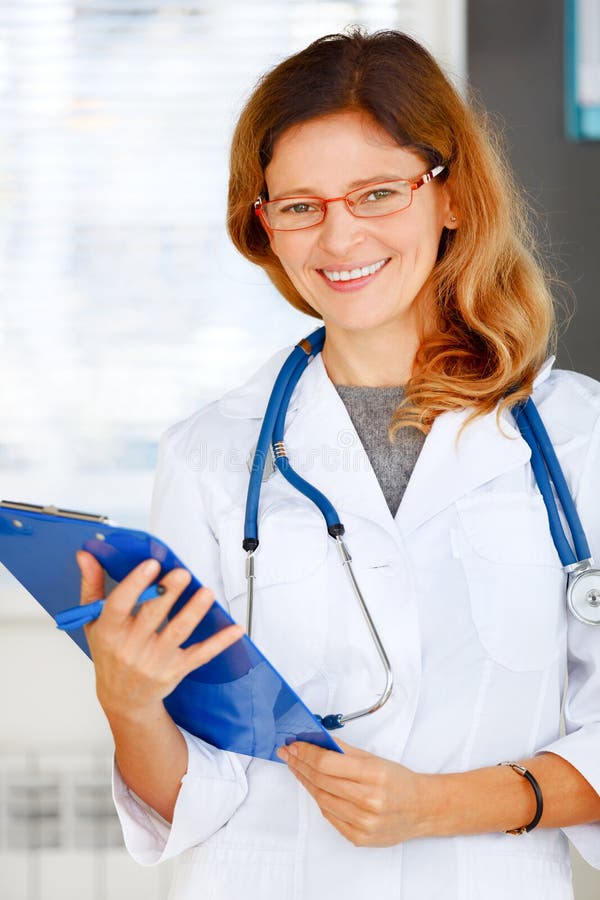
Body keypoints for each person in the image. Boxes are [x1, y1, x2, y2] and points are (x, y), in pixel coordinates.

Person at [76, 29, 600, 900]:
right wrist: (128, 702)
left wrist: (434, 807)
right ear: (264, 226)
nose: (339, 234)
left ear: (452, 196)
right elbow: (191, 793)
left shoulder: (578, 439)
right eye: (300, 205)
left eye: (377, 192)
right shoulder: (211, 454)